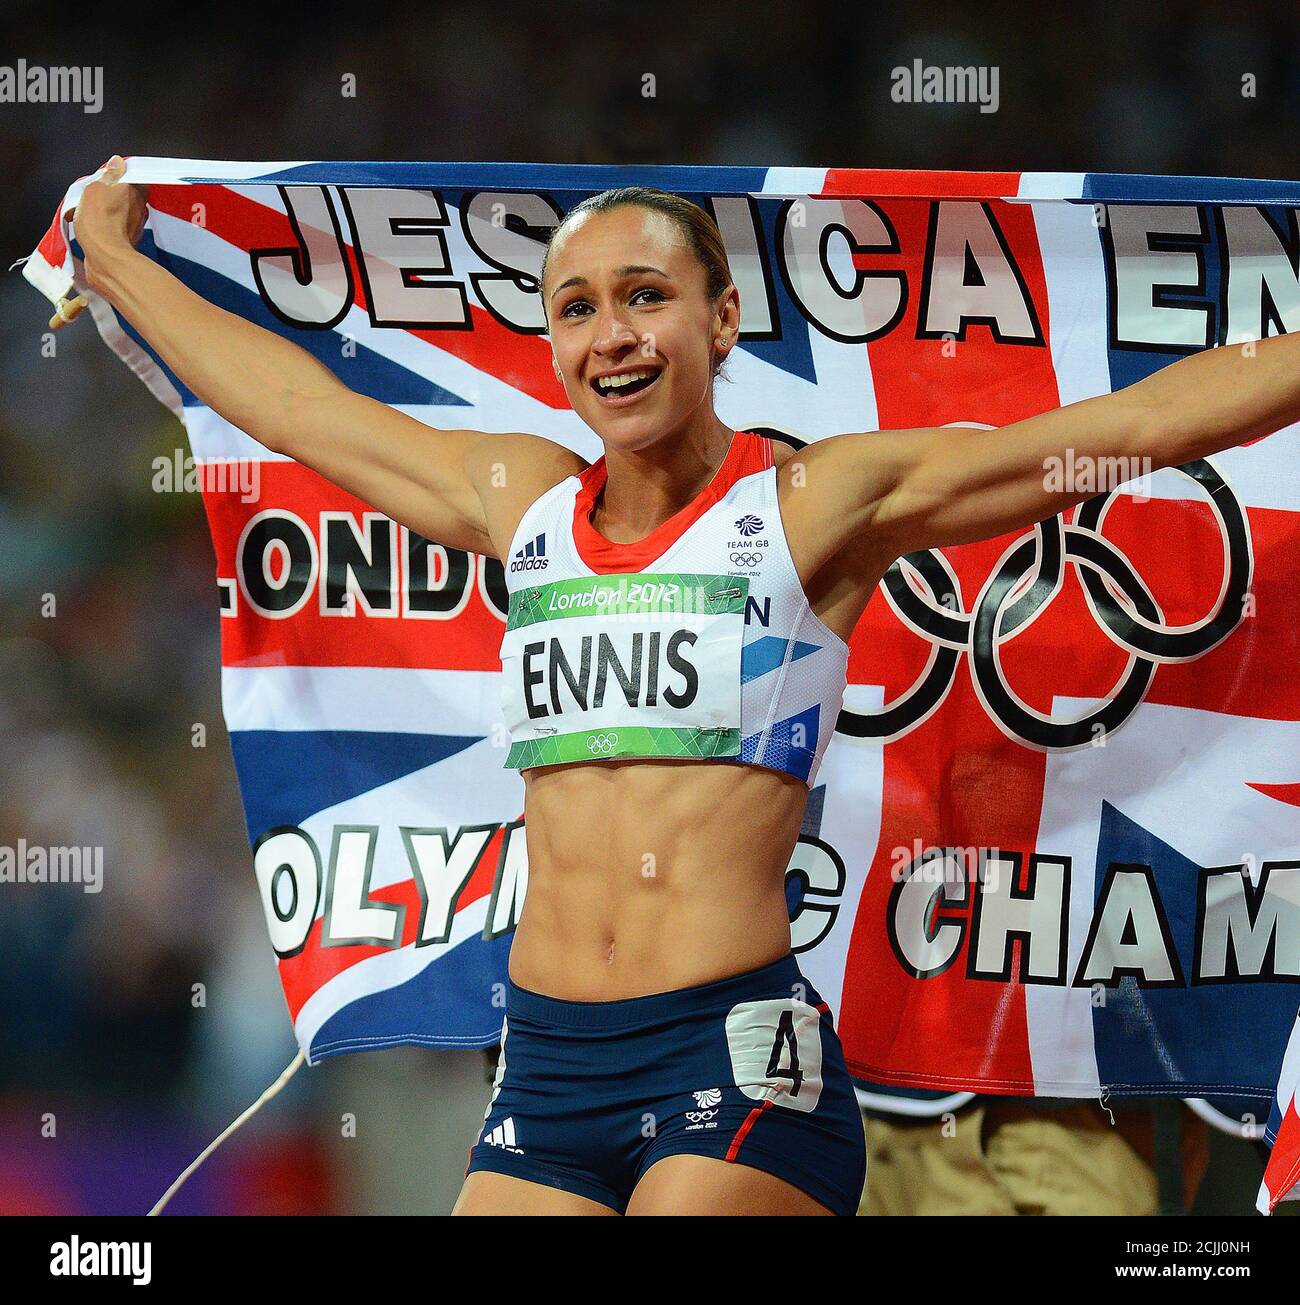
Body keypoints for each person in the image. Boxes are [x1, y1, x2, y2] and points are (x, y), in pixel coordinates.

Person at [69, 160, 1300, 1216]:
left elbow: (1133, 425)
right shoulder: (522, 501)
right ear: (551, 349)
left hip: (733, 1053)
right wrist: (117, 266)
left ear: (720, 325)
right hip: (546, 1068)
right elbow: (296, 406)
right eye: (576, 308)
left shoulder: (812, 505)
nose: (611, 333)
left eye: (644, 297)